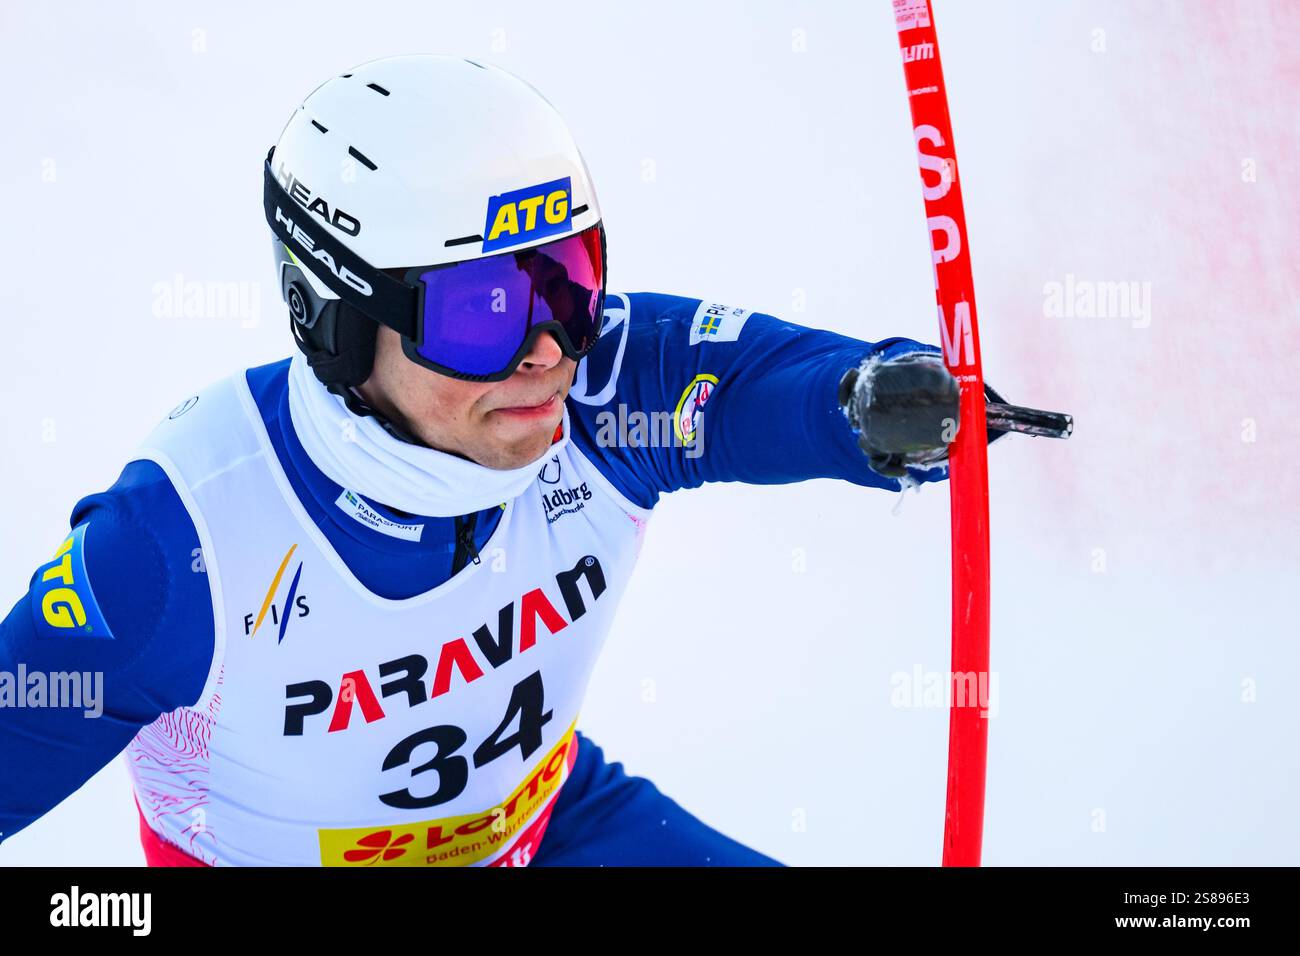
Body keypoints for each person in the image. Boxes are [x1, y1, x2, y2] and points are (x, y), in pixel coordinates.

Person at [0, 54, 1067, 867]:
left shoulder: (602, 394)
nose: (547, 349)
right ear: (334, 317)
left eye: (567, 277)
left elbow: (753, 389)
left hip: (552, 831)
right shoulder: (182, 543)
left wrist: (869, 401)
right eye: (481, 311)